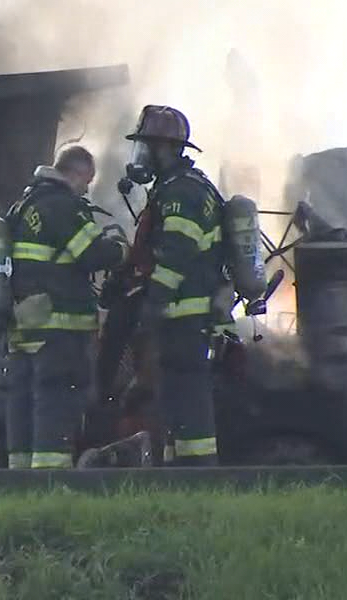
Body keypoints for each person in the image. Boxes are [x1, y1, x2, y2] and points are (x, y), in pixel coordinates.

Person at [5, 145, 129, 469]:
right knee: (56, 399)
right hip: (58, 327)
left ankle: (19, 478)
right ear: (74, 173)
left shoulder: (21, 207)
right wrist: (121, 252)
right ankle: (52, 481)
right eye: (87, 180)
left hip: (23, 325)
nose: (87, 188)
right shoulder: (63, 205)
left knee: (23, 402)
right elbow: (90, 254)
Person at [123, 104, 225, 466]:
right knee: (172, 394)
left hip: (187, 312)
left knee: (188, 392)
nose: (140, 156)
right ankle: (177, 469)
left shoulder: (183, 191)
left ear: (163, 148)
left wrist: (156, 298)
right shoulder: (172, 187)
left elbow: (179, 251)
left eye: (144, 146)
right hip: (178, 313)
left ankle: (198, 472)